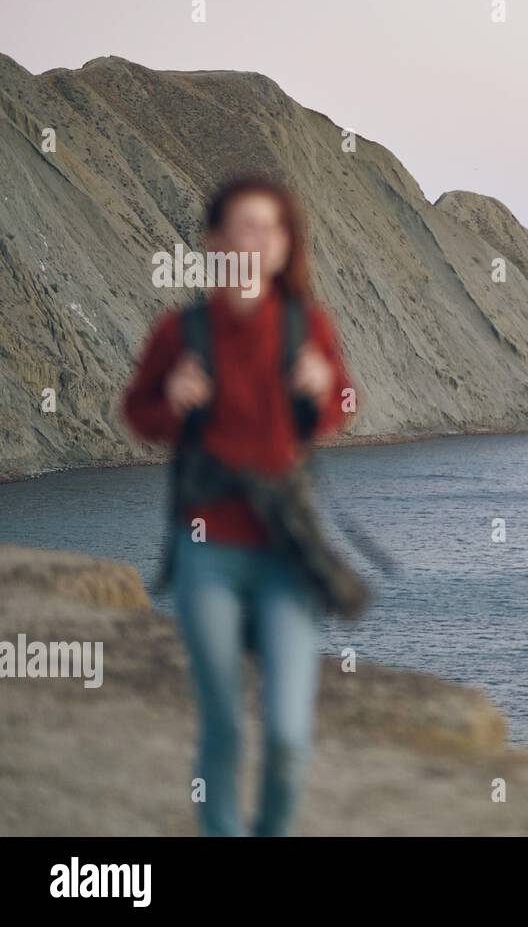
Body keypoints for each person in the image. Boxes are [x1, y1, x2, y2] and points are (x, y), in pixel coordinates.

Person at [123, 176, 354, 836]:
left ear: (287, 246)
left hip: (287, 548)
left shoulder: (307, 326)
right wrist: (172, 398)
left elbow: (340, 409)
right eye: (243, 227)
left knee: (287, 733)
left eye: (271, 228)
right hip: (208, 550)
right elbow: (137, 414)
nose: (256, 241)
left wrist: (325, 386)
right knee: (223, 723)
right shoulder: (182, 330)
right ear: (214, 241)